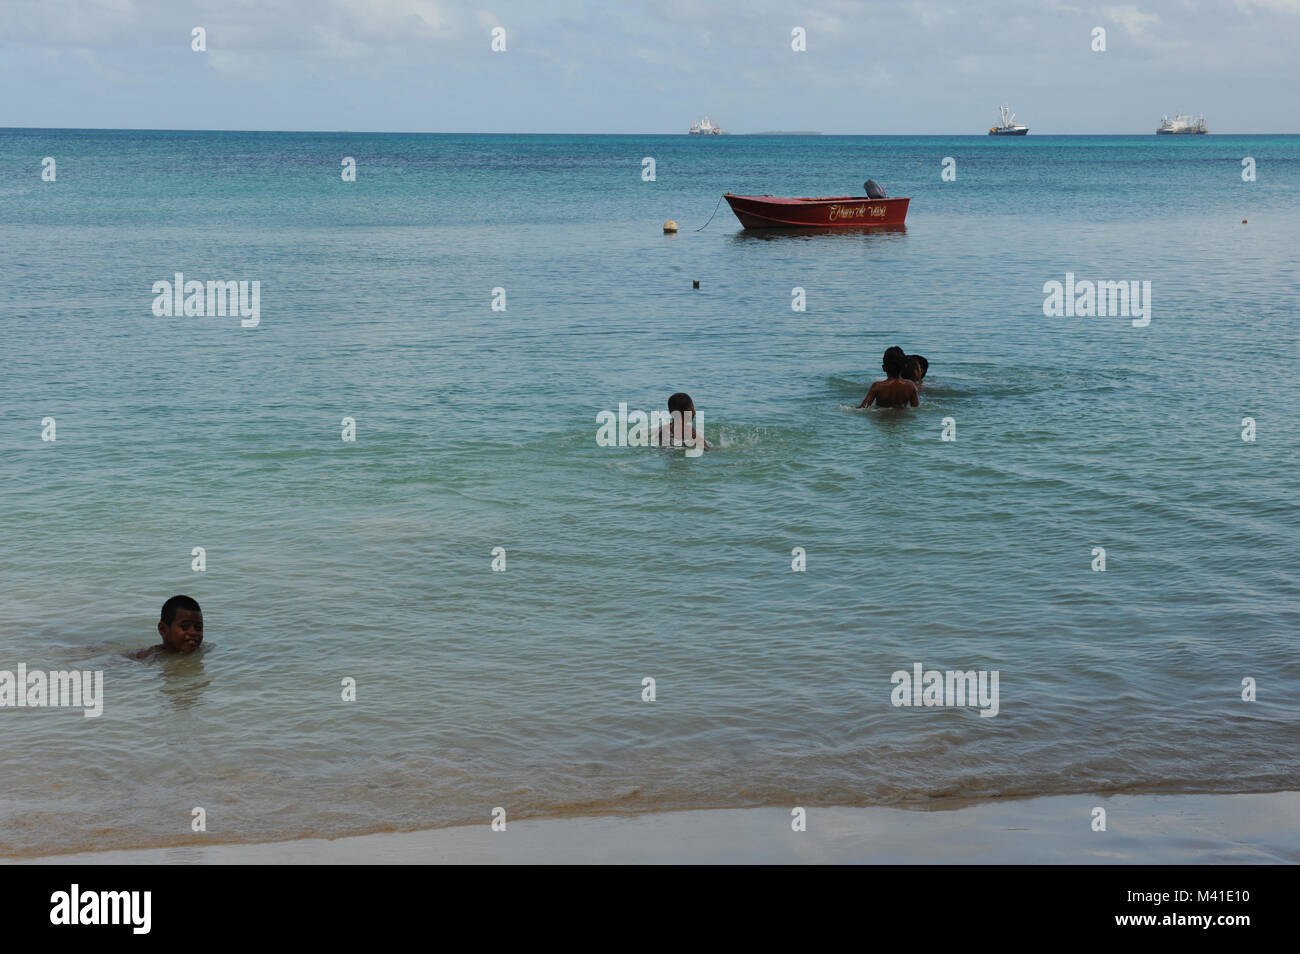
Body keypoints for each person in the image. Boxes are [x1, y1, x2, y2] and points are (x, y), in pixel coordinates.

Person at [133, 595, 204, 658]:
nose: (193, 632)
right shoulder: (147, 658)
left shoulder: (203, 650)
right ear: (163, 629)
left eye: (198, 627)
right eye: (185, 627)